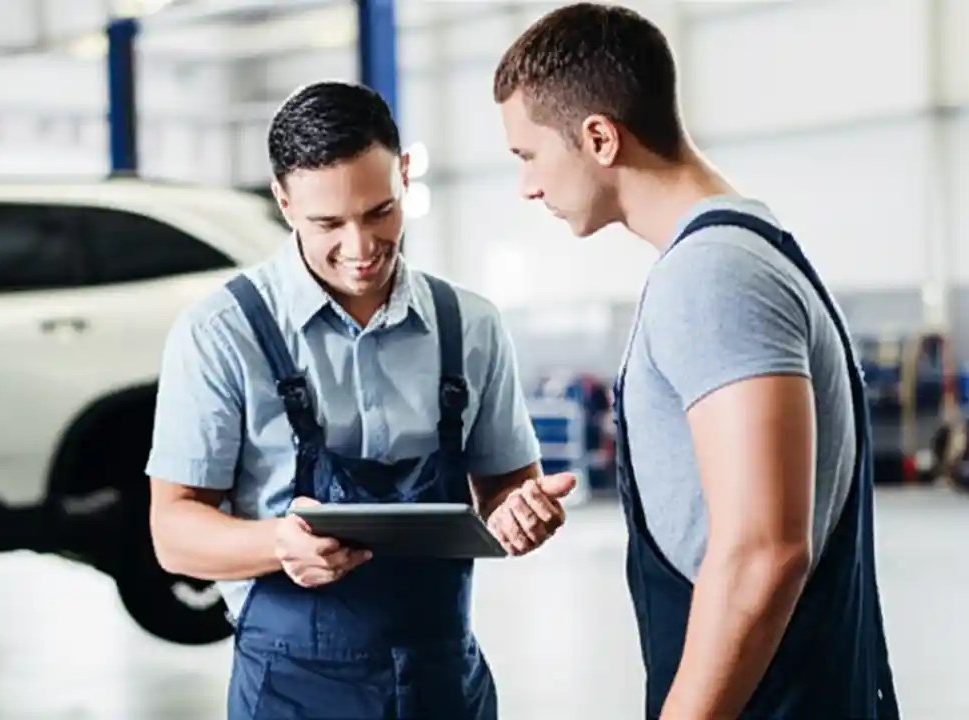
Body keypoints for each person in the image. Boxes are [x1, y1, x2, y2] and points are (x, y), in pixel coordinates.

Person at [493, 4, 899, 719]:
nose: (526, 187)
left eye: (527, 155)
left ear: (598, 138)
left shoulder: (710, 275)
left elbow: (763, 553)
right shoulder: (748, 246)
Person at [145, 80, 576, 719]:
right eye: (328, 223)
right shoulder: (221, 335)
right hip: (294, 691)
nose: (360, 247)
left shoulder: (472, 327)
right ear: (284, 202)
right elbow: (174, 533)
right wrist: (279, 545)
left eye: (380, 211)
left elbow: (507, 486)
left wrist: (521, 512)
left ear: (404, 176)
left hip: (444, 683)